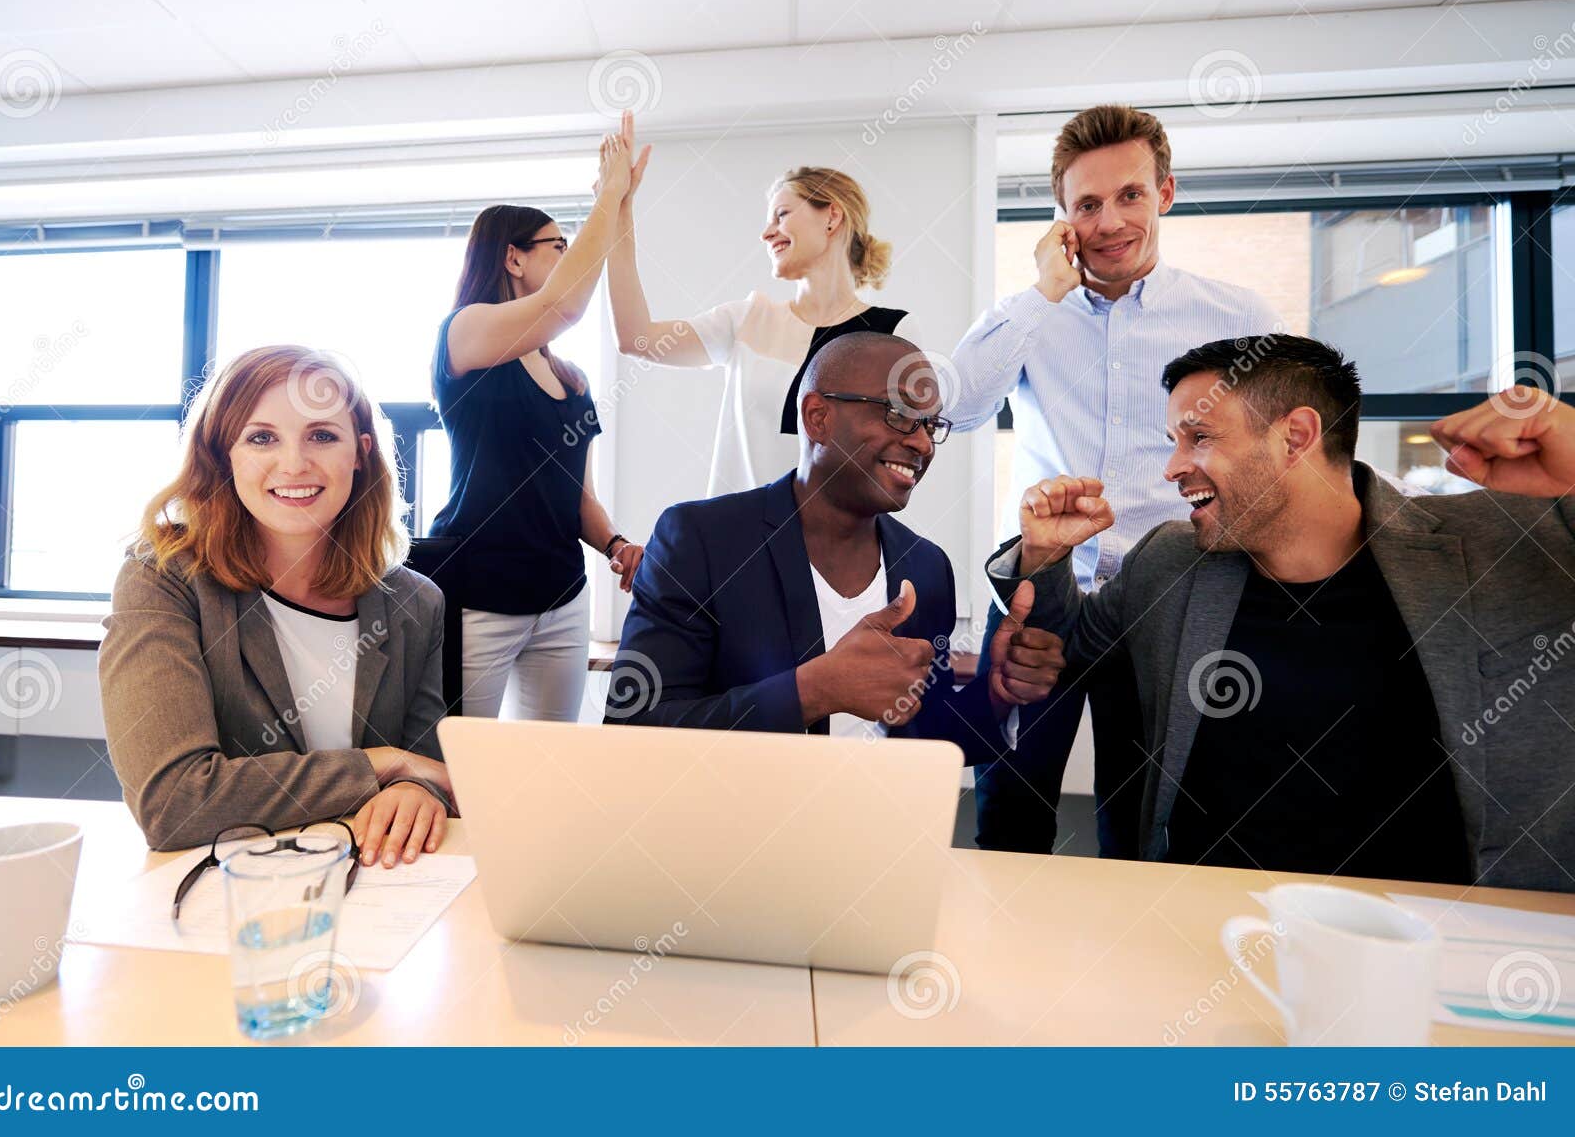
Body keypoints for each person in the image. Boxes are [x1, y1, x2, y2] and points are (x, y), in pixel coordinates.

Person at [987, 333, 1575, 891]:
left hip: (1441, 938)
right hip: (1205, 929)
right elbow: (1055, 653)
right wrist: (1045, 554)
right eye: (1175, 441)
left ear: (1295, 436)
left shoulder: (1510, 539)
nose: (1172, 467)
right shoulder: (1170, 561)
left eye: (1198, 437)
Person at [943, 103, 1283, 858]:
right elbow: (960, 409)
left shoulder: (1236, 317)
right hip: (1043, 599)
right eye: (1087, 204)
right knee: (1009, 820)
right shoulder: (1030, 315)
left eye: (1129, 195)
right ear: (1061, 219)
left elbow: (1283, 458)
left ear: (1165, 192)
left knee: (1142, 829)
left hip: (1170, 600)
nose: (1109, 221)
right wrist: (1043, 292)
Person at [604, 331, 1063, 762]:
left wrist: (998, 694)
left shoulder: (925, 566)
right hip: (739, 839)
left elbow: (925, 733)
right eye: (899, 414)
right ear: (818, 418)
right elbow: (634, 729)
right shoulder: (700, 539)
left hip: (876, 837)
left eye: (930, 424)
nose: (922, 442)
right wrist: (813, 691)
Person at [101, 346, 453, 868]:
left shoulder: (416, 602)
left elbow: (431, 770)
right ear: (224, 455)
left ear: (358, 453)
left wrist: (419, 794)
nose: (294, 463)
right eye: (261, 437)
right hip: (223, 895)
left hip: (376, 884)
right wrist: (380, 766)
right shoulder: (163, 578)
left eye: (322, 435)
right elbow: (174, 804)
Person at [427, 129, 645, 722]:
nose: (567, 257)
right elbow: (566, 306)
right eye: (558, 245)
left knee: (548, 766)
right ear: (513, 256)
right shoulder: (465, 332)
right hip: (480, 596)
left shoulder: (570, 377)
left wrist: (617, 546)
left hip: (563, 599)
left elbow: (579, 498)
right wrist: (610, 197)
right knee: (464, 768)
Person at [606, 112, 925, 496]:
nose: (766, 232)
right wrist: (617, 207)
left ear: (832, 216)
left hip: (840, 548)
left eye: (782, 214)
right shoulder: (746, 321)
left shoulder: (894, 334)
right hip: (740, 546)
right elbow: (635, 338)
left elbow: (903, 452)